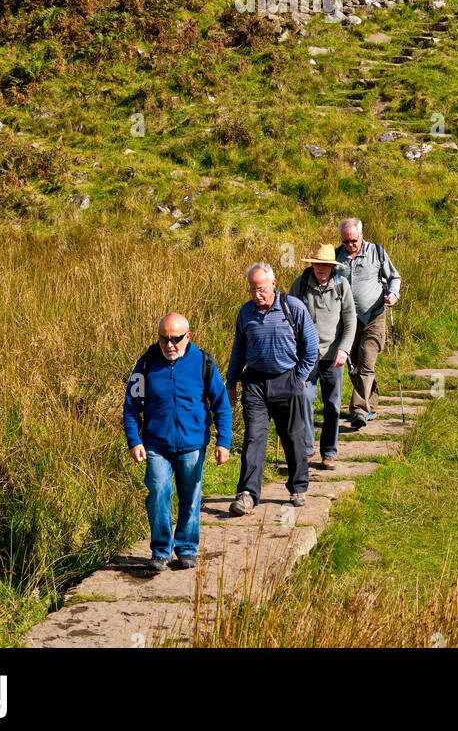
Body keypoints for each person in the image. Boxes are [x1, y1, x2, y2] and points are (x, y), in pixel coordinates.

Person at [123, 312, 232, 572]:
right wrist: (134, 441)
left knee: (190, 497)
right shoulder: (147, 363)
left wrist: (223, 441)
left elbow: (221, 405)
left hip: (192, 444)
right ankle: (160, 551)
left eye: (175, 339)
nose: (169, 345)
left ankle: (186, 549)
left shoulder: (203, 363)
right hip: (155, 445)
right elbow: (131, 406)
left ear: (188, 337)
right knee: (159, 491)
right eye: (164, 339)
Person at [225, 262, 318, 515]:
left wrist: (298, 377)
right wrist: (230, 382)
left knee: (292, 436)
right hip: (254, 383)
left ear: (273, 285)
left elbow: (311, 348)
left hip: (287, 379)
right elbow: (238, 351)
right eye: (253, 289)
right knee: (254, 437)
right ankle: (247, 495)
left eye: (262, 289)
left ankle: (298, 487)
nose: (257, 294)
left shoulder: (293, 308)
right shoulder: (245, 313)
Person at [290, 243, 356, 469]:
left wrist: (344, 349)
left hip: (333, 356)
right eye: (317, 264)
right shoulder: (299, 286)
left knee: (332, 405)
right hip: (306, 358)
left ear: (332, 267)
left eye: (325, 265)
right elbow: (289, 321)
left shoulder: (341, 285)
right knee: (305, 400)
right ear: (312, 264)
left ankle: (329, 452)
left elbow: (350, 321)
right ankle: (307, 449)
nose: (321, 269)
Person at [335, 218, 401, 430]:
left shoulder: (377, 253)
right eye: (345, 241)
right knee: (354, 366)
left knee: (366, 360)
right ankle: (370, 403)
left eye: (353, 240)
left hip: (374, 316)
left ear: (361, 235)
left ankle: (358, 411)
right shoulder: (337, 256)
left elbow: (394, 277)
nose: (349, 245)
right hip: (347, 321)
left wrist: (393, 294)